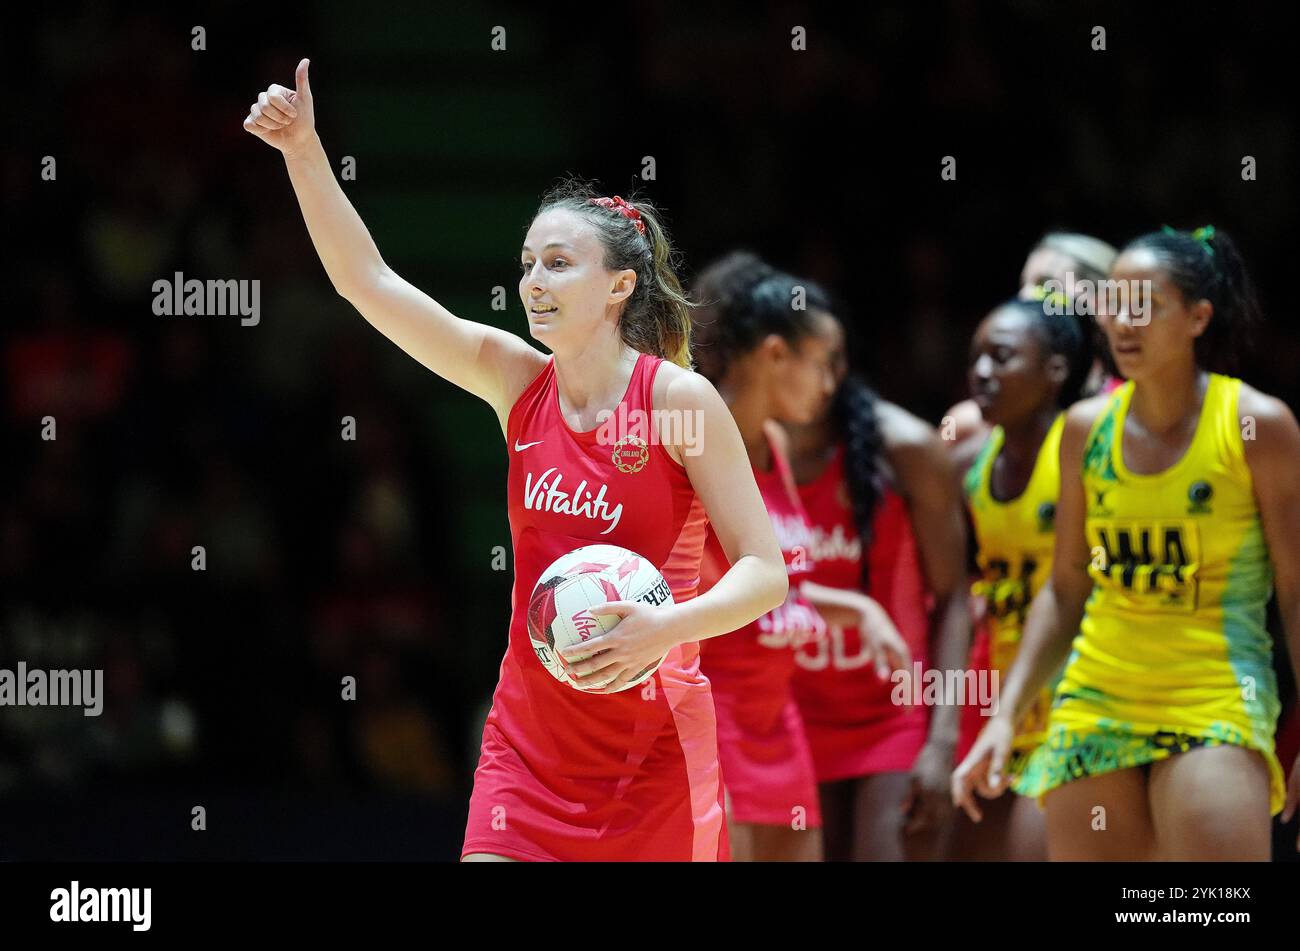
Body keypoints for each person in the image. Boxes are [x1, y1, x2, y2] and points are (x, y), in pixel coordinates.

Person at [245, 60, 791, 861]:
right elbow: (368, 284)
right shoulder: (513, 380)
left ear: (619, 288)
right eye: (528, 264)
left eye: (559, 264)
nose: (534, 281)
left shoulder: (679, 401)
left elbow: (764, 571)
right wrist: (303, 151)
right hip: (528, 751)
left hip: (655, 755)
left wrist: (663, 628)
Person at [954, 226, 1300, 860]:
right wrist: (1003, 715)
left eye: (1146, 304)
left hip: (1215, 694)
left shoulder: (1258, 426)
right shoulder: (1086, 429)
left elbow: (1295, 592)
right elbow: (1063, 591)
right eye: (1113, 303)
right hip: (1095, 694)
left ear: (1199, 318)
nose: (1123, 321)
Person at [691, 253, 912, 861]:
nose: (830, 383)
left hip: (777, 719)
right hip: (713, 713)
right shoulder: (695, 441)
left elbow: (773, 583)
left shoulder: (779, 445)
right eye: (821, 362)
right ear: (775, 354)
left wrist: (860, 611)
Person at [785, 342, 971, 862]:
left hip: (890, 717)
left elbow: (955, 597)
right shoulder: (745, 451)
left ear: (838, 371)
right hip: (791, 718)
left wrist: (942, 742)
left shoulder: (903, 449)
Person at [946, 296, 1093, 861]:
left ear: (1055, 371)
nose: (982, 372)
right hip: (1002, 702)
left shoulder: (1084, 453)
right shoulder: (968, 469)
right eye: (977, 358)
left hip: (1080, 699)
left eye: (1001, 358)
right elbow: (959, 596)